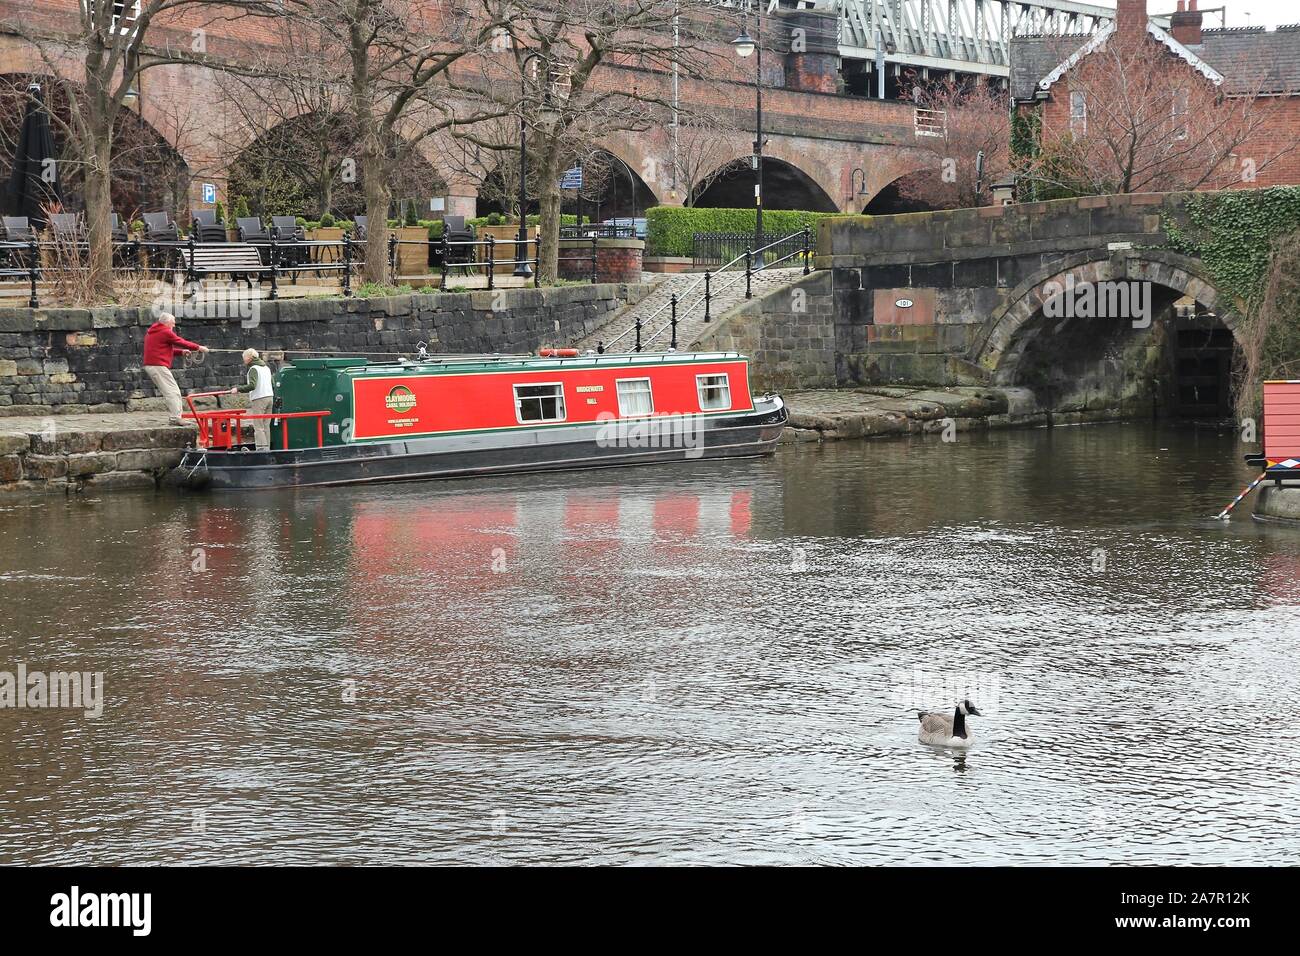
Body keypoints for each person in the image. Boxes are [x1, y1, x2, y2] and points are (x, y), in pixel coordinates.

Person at [143, 312, 208, 425]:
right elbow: (180, 341)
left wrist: (181, 352)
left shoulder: (154, 331)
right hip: (158, 366)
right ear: (167, 323)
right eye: (173, 323)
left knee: (171, 391)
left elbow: (162, 350)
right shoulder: (165, 331)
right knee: (173, 392)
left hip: (153, 365)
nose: (174, 326)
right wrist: (199, 347)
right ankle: (175, 418)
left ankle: (176, 417)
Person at [229, 349, 275, 451]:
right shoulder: (266, 368)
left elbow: (252, 385)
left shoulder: (253, 369)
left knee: (258, 427)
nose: (243, 360)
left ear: (249, 357)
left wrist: (238, 389)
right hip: (270, 397)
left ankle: (261, 450)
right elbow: (273, 383)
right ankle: (268, 448)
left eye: (244, 357)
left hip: (259, 399)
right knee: (266, 425)